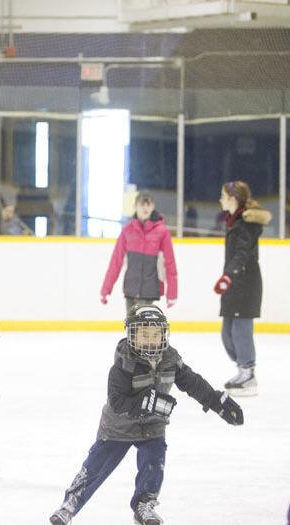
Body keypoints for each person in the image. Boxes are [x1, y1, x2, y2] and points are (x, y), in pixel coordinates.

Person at [48, 304, 244, 525]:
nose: (151, 340)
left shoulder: (170, 359)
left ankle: (144, 504)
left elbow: (192, 383)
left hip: (152, 427)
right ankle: (70, 504)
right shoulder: (123, 364)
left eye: (155, 334)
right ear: (132, 335)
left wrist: (217, 402)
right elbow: (117, 401)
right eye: (144, 334)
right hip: (118, 428)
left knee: (154, 463)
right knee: (95, 467)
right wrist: (149, 403)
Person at [214, 181, 270, 397]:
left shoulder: (246, 223)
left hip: (245, 283)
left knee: (240, 330)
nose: (220, 199)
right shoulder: (234, 221)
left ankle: (248, 372)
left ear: (233, 199)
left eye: (223, 196)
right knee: (227, 333)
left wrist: (228, 275)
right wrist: (228, 276)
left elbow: (242, 253)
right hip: (234, 282)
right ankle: (243, 369)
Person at [100, 192, 178, 314]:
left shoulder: (162, 232)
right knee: (132, 324)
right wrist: (106, 289)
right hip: (130, 288)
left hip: (149, 290)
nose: (145, 208)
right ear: (135, 206)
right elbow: (116, 261)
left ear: (153, 207)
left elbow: (170, 263)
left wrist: (172, 293)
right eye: (142, 204)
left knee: (140, 323)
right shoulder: (127, 230)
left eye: (148, 204)